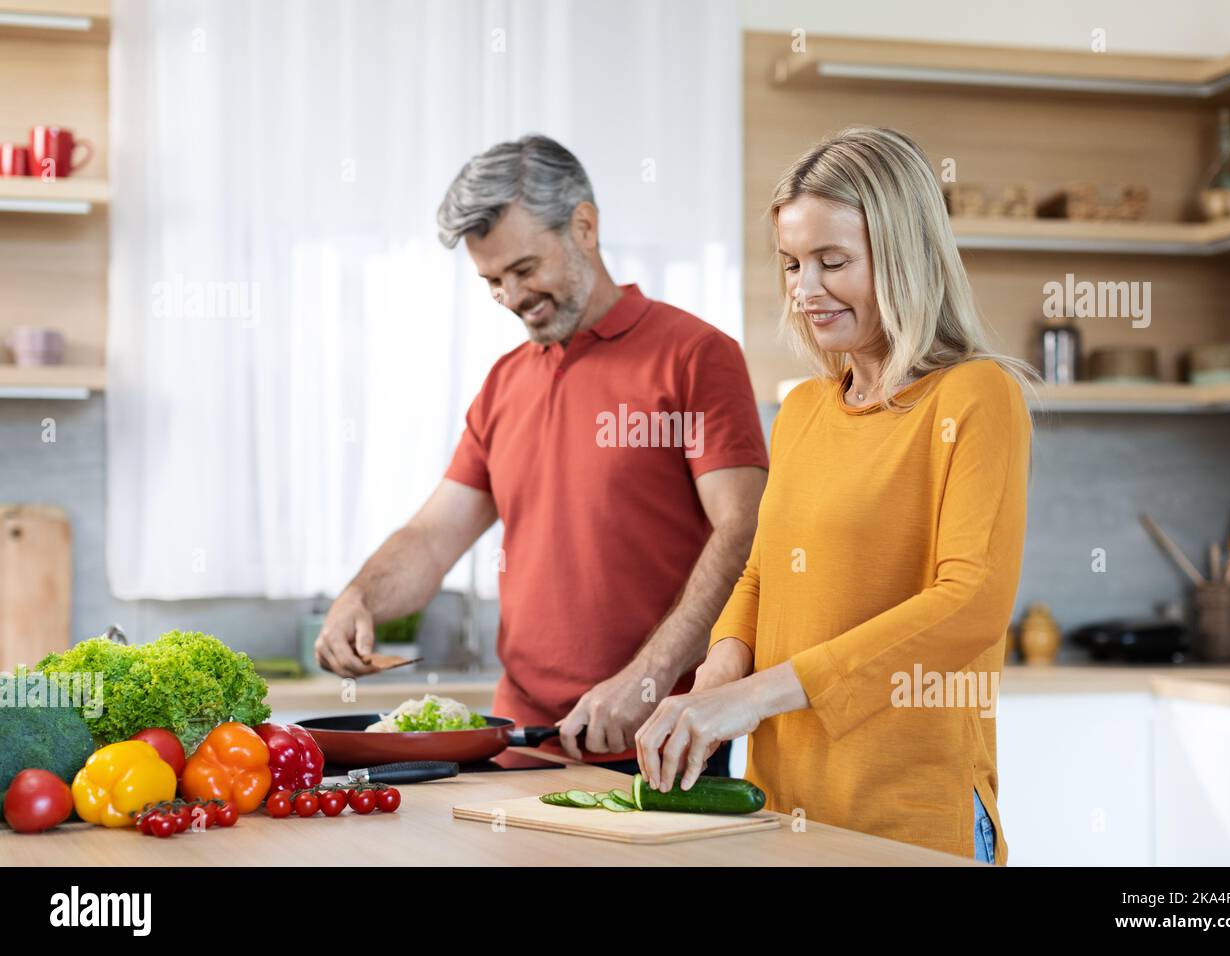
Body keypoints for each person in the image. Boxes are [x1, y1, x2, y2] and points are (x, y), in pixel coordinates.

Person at [635, 127, 1037, 864]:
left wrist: (757, 698)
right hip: (781, 814)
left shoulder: (977, 397)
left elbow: (971, 601)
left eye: (833, 261)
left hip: (913, 818)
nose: (804, 288)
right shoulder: (802, 412)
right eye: (792, 263)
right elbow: (760, 577)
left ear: (905, 256)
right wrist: (714, 686)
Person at [316, 135, 769, 773]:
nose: (509, 295)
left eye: (524, 269)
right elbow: (431, 536)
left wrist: (645, 682)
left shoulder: (695, 356)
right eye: (492, 280)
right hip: (521, 746)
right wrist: (359, 597)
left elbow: (743, 530)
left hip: (654, 744)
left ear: (584, 225)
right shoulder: (505, 382)